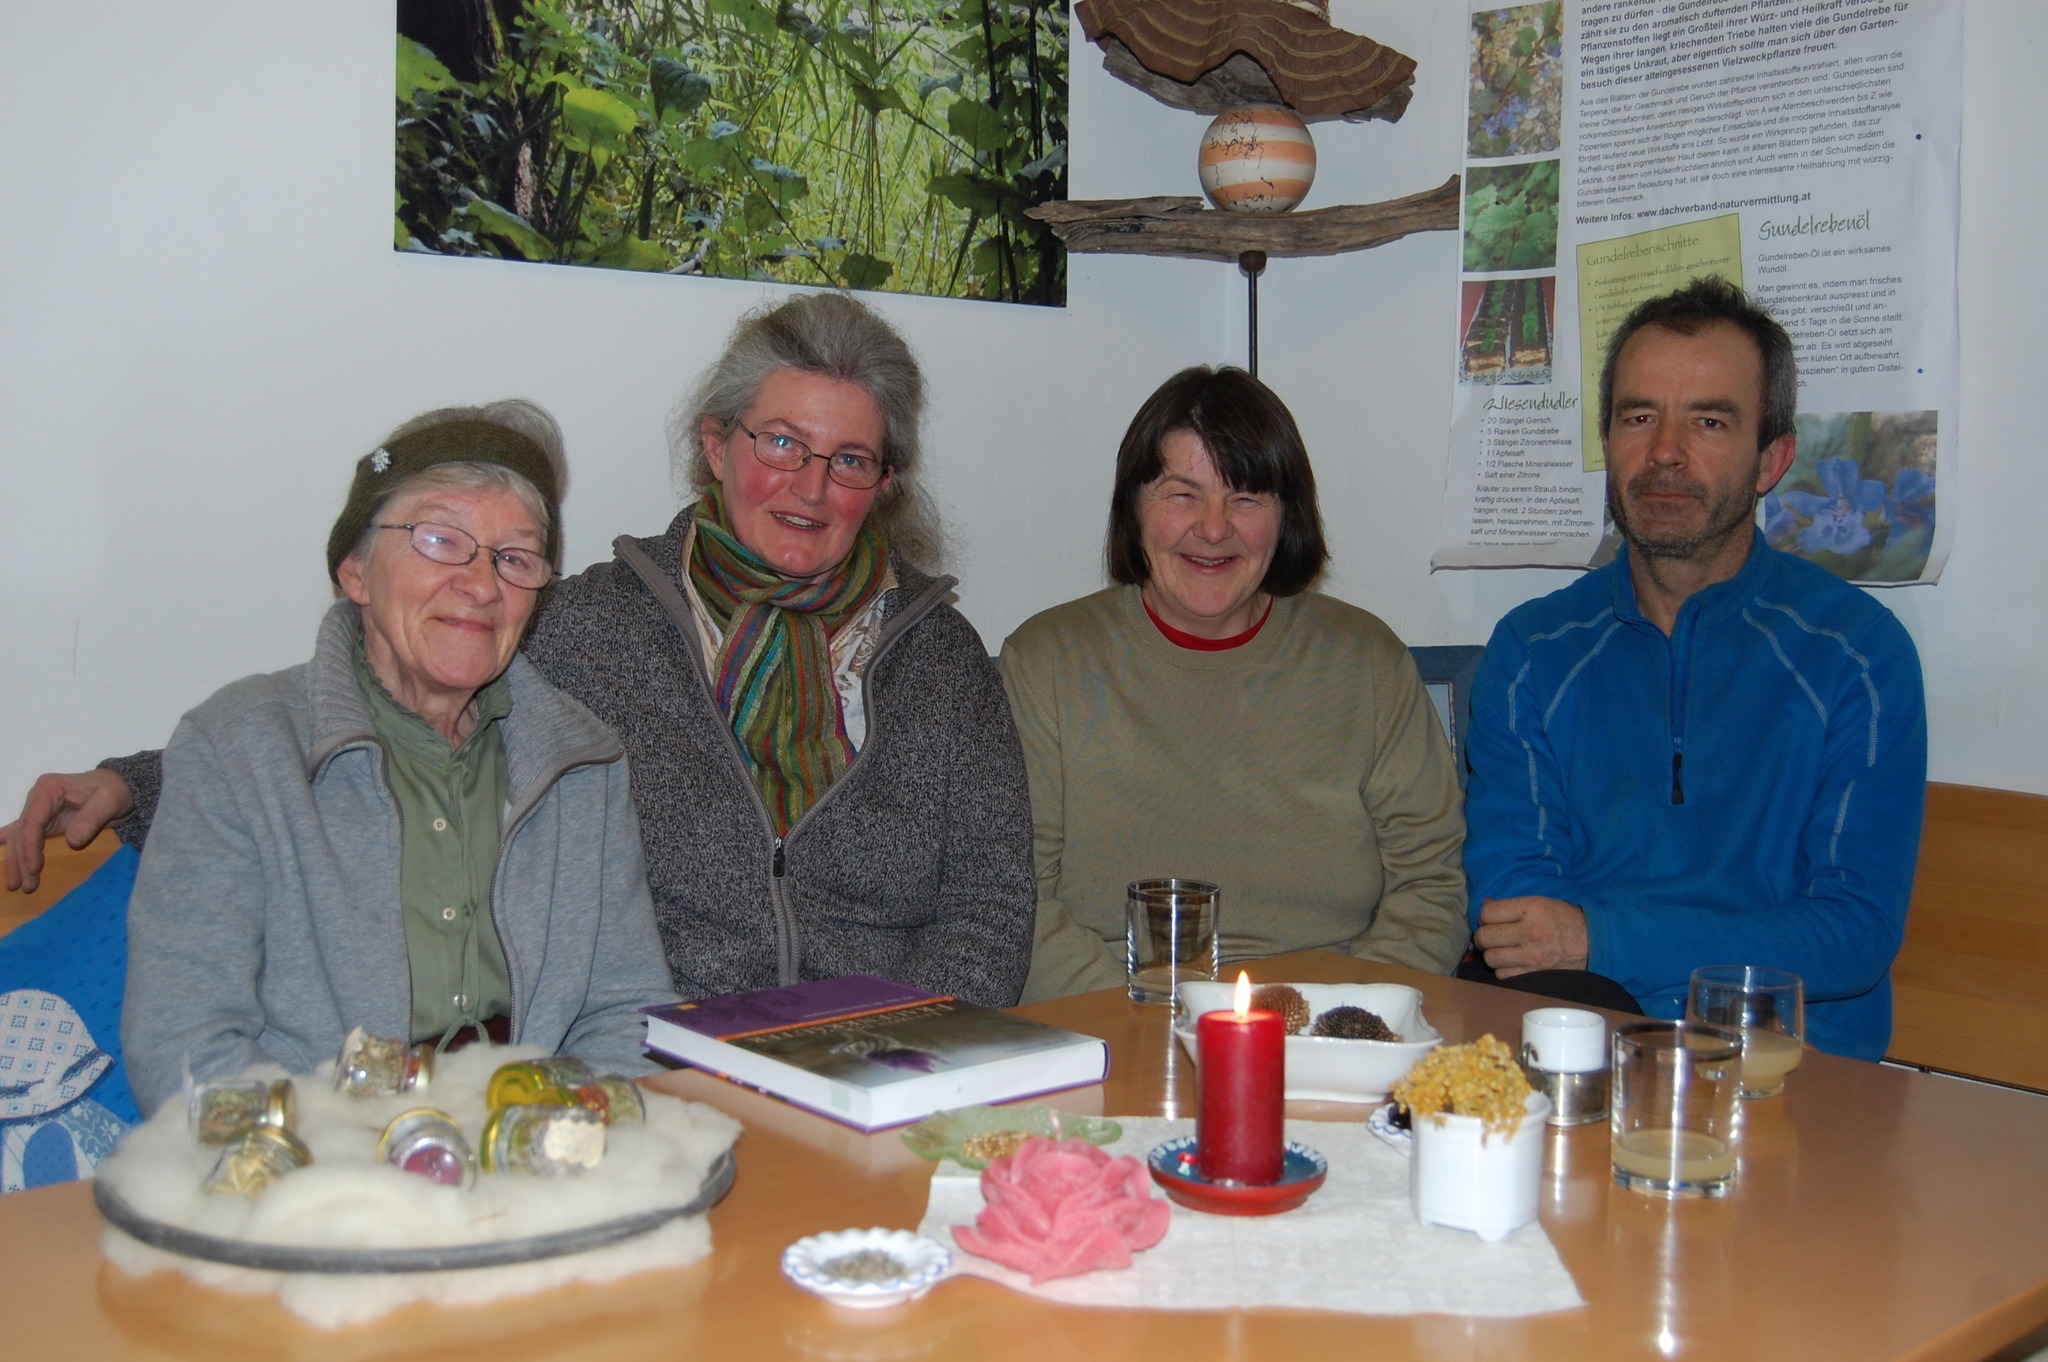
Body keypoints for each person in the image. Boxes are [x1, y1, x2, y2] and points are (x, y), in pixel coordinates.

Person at [4, 293, 1036, 1008]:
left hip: (890, 1072)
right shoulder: (588, 626)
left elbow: (989, 907)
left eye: (847, 459)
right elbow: (390, 715)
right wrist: (135, 784)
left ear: (884, 486)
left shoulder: (941, 661)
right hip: (655, 1060)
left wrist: (894, 1046)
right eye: (779, 443)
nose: (809, 487)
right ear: (715, 447)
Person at [123, 404, 676, 1113]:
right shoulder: (237, 749)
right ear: (354, 571)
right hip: (313, 1172)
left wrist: (550, 1144)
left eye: (515, 557)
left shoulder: (582, 759)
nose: (481, 585)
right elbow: (185, 1048)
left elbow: (627, 1015)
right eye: (441, 540)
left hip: (535, 1151)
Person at [1461, 276, 1927, 1060]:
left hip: (1792, 1077)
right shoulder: (1532, 652)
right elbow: (1520, 927)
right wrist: (1593, 954)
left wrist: (1602, 934)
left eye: (1709, 421)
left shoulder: (1858, 657)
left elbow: (1852, 935)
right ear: (1607, 441)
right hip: (1589, 1046)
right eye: (1639, 417)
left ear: (1771, 459)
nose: (1665, 453)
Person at [999, 366, 1468, 1003]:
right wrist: (1144, 1028)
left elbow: (1432, 885)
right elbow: (1014, 894)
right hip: (1115, 1021)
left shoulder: (1369, 664)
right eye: (1181, 494)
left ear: (1286, 516)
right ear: (1134, 508)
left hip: (1332, 1033)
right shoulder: (1045, 664)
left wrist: (1349, 1021)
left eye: (1246, 497)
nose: (1214, 529)